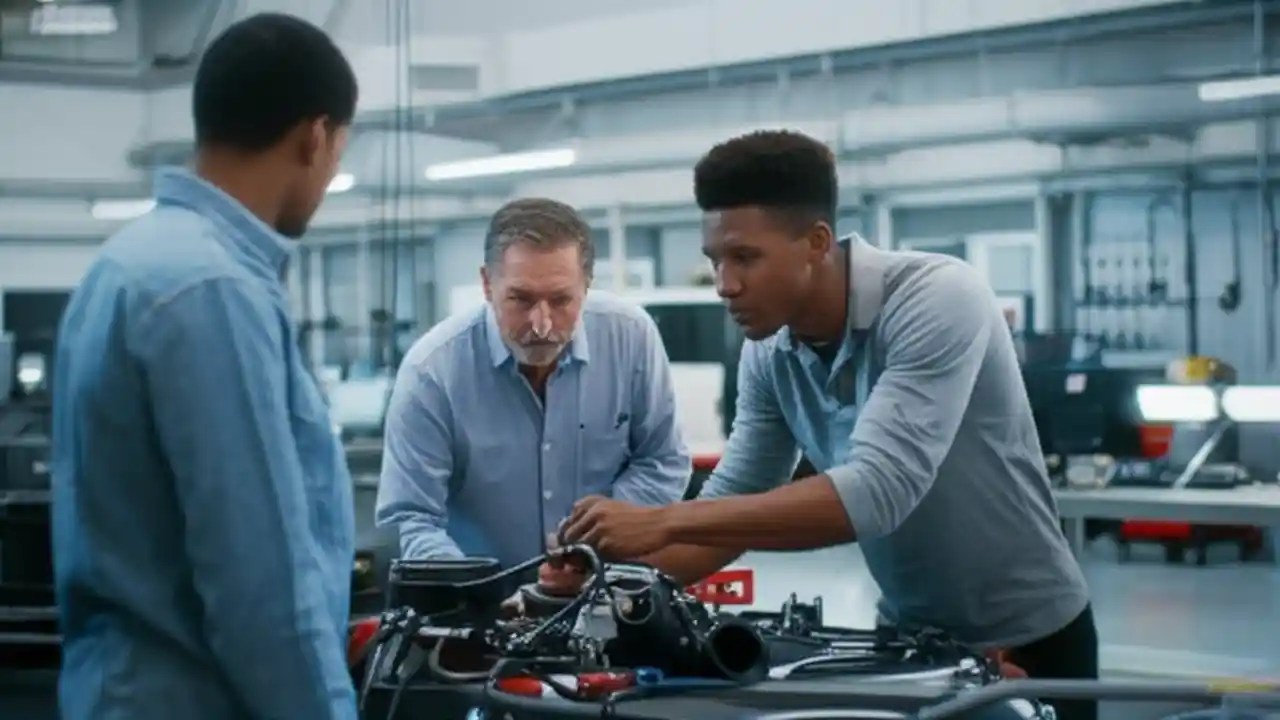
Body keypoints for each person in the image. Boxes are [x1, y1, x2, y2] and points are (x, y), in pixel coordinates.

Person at [561, 130, 1098, 720]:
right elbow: (737, 503)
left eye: (746, 257)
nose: (725, 285)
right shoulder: (768, 353)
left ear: (816, 242)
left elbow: (877, 492)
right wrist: (596, 590)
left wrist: (660, 520)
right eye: (716, 260)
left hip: (1032, 632)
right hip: (911, 638)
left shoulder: (938, 298)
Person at [51, 13, 359, 720]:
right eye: (338, 150)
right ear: (315, 137)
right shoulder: (213, 289)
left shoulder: (128, 265)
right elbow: (260, 581)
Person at [375, 198, 689, 589]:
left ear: (587, 284)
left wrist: (600, 537)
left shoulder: (631, 337)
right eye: (521, 300)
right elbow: (412, 516)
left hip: (606, 592)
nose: (541, 326)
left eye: (561, 300)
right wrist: (473, 595)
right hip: (481, 612)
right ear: (487, 284)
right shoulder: (432, 372)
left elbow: (662, 460)